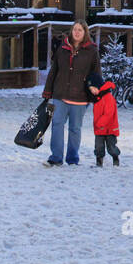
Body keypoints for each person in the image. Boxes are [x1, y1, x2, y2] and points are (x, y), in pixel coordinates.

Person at [41, 21, 99, 167]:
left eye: (80, 30)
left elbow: (96, 73)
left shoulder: (92, 51)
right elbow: (54, 70)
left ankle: (72, 158)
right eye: (75, 29)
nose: (77, 32)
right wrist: (48, 91)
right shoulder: (63, 48)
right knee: (57, 124)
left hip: (80, 97)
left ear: (85, 32)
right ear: (71, 31)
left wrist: (95, 90)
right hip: (60, 94)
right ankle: (56, 157)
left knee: (75, 128)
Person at [88, 71, 120, 166]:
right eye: (91, 89)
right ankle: (99, 160)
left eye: (93, 88)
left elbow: (109, 114)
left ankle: (115, 158)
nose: (92, 91)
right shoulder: (97, 97)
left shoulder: (108, 97)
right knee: (98, 146)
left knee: (111, 147)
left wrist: (100, 123)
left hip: (109, 128)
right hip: (99, 128)